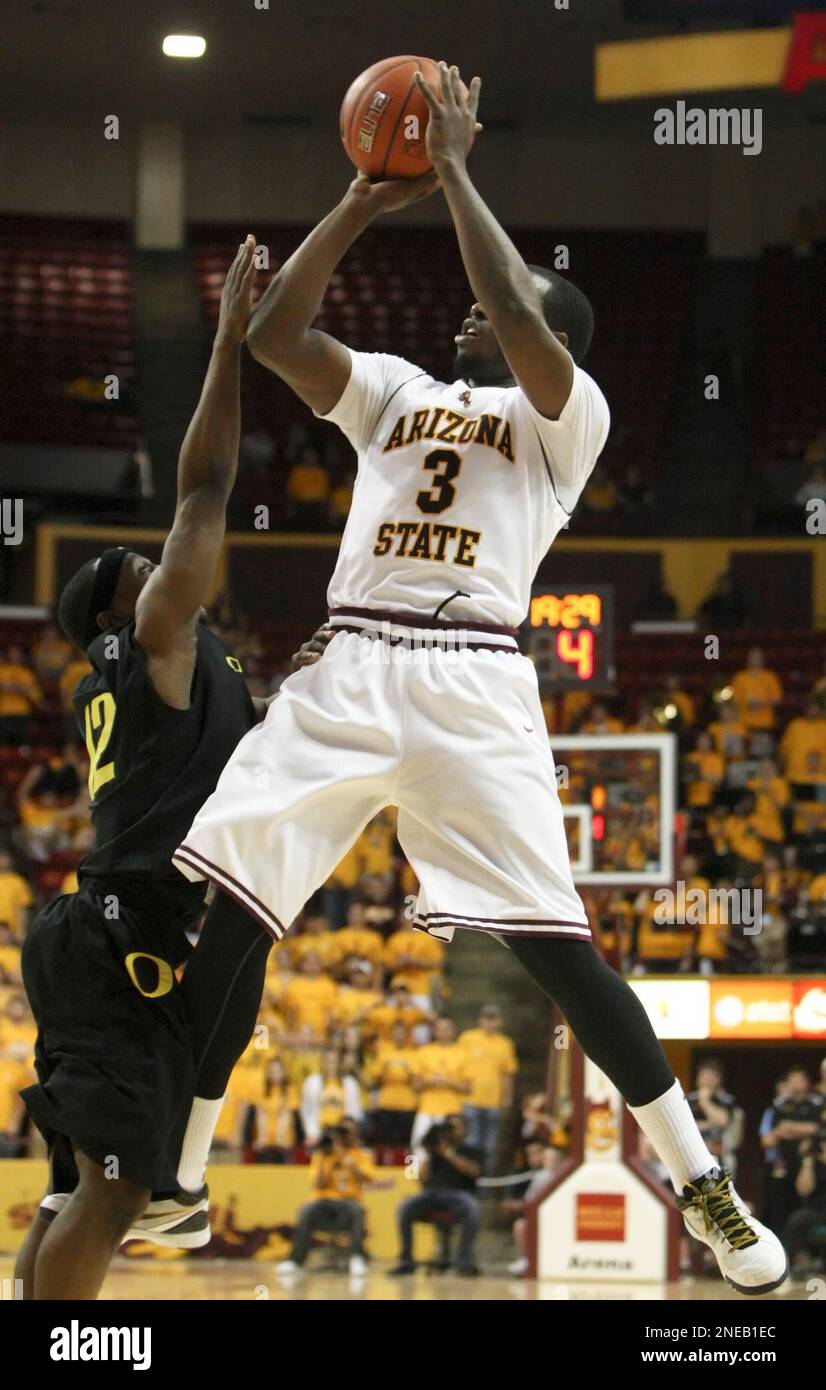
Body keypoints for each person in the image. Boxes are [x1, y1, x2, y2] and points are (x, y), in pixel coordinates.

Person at [172, 65, 786, 1293]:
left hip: (472, 683)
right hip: (350, 662)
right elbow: (277, 336)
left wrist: (454, 164)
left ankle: (701, 1182)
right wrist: (355, 200)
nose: (467, 316)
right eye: (466, 312)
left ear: (552, 333)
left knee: (561, 950)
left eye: (501, 313)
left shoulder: (571, 419)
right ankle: (181, 1179)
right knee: (228, 903)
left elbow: (511, 305)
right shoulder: (398, 392)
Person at [13, 239, 277, 1301]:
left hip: (96, 930)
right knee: (109, 1194)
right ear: (127, 603)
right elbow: (208, 483)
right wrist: (227, 345)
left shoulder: (154, 668)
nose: (165, 561)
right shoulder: (157, 631)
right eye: (144, 564)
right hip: (124, 935)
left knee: (76, 1187)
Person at [276, 1123, 375, 1277]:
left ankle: (356, 1258)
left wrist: (343, 1156)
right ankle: (295, 1260)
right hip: (323, 1202)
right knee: (306, 1210)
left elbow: (365, 1178)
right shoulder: (321, 1155)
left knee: (357, 1211)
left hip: (349, 1201)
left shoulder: (361, 1154)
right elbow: (318, 1184)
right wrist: (322, 1157)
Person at [390, 1113, 482, 1276]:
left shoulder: (471, 1149)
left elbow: (474, 1171)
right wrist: (427, 1152)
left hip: (459, 1194)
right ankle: (406, 1261)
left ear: (464, 1129)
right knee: (404, 1208)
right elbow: (421, 1179)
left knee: (473, 1209)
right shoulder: (434, 1151)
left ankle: (464, 1261)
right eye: (448, 1127)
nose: (451, 1131)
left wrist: (448, 1153)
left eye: (454, 1127)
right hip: (432, 1193)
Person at [458, 1004, 517, 1172]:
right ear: (480, 1020)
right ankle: (470, 1180)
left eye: (494, 1019)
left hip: (493, 1101)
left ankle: (485, 1182)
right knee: (471, 1142)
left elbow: (508, 1074)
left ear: (500, 1021)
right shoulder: (468, 1038)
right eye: (487, 1018)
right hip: (470, 1099)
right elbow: (458, 1065)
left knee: (490, 1147)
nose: (490, 1023)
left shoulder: (505, 1044)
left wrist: (507, 1098)